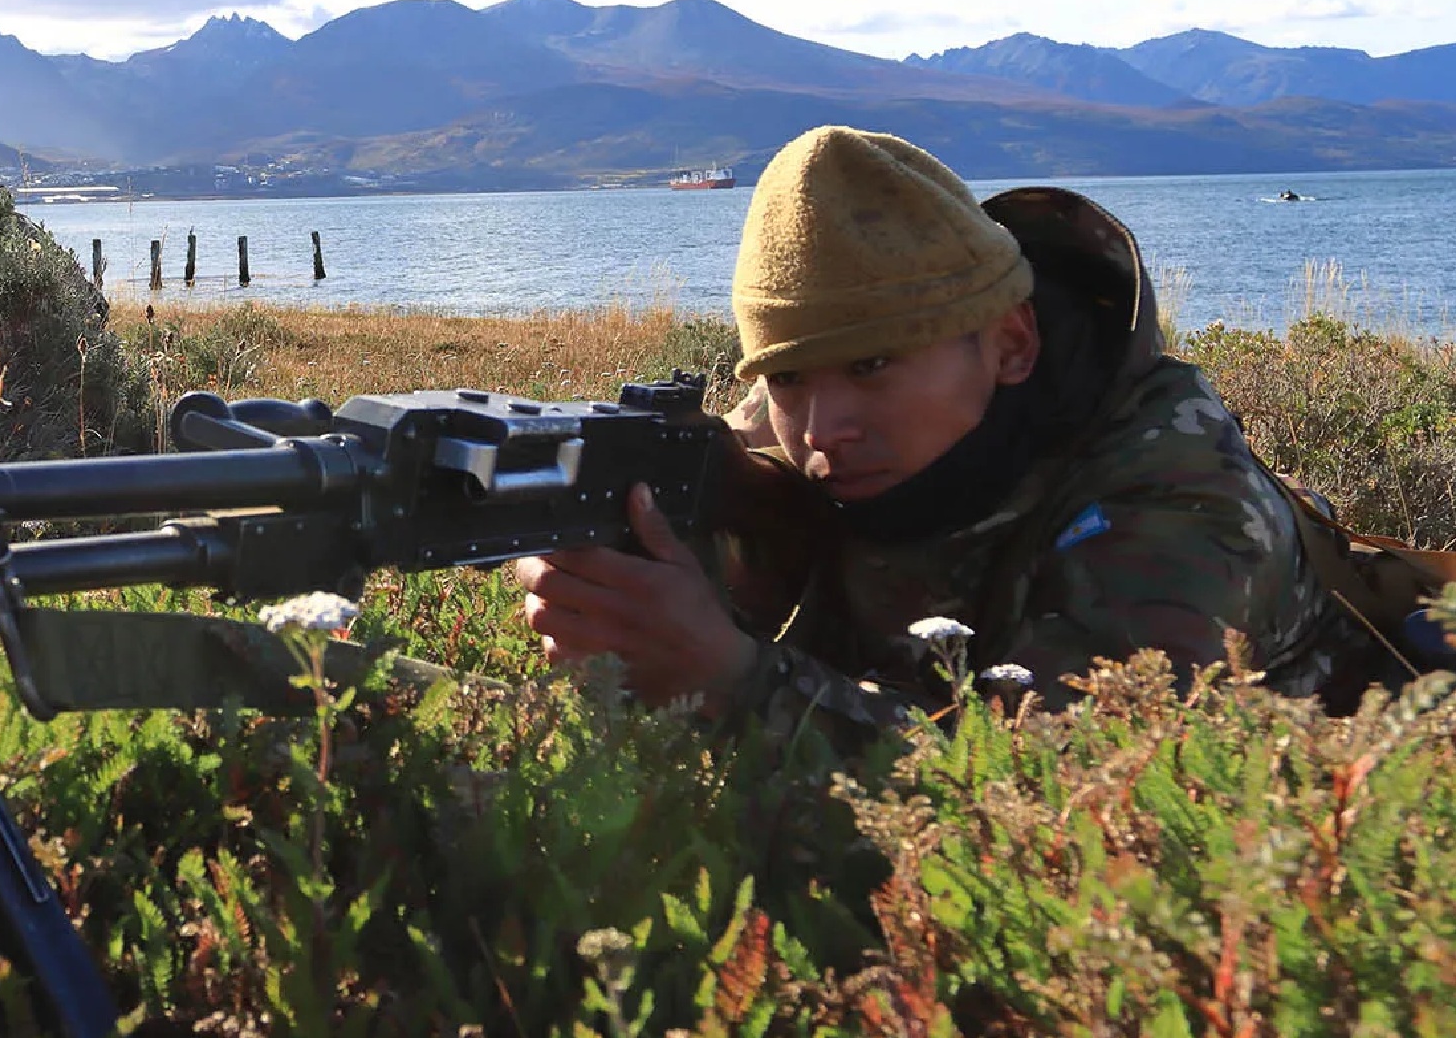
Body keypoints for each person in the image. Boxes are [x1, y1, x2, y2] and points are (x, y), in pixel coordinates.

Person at [515, 125, 1386, 745]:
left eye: (872, 366)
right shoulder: (789, 445)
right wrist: (619, 593)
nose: (823, 431)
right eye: (786, 377)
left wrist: (733, 682)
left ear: (1010, 343)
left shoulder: (1181, 501)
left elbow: (1054, 792)